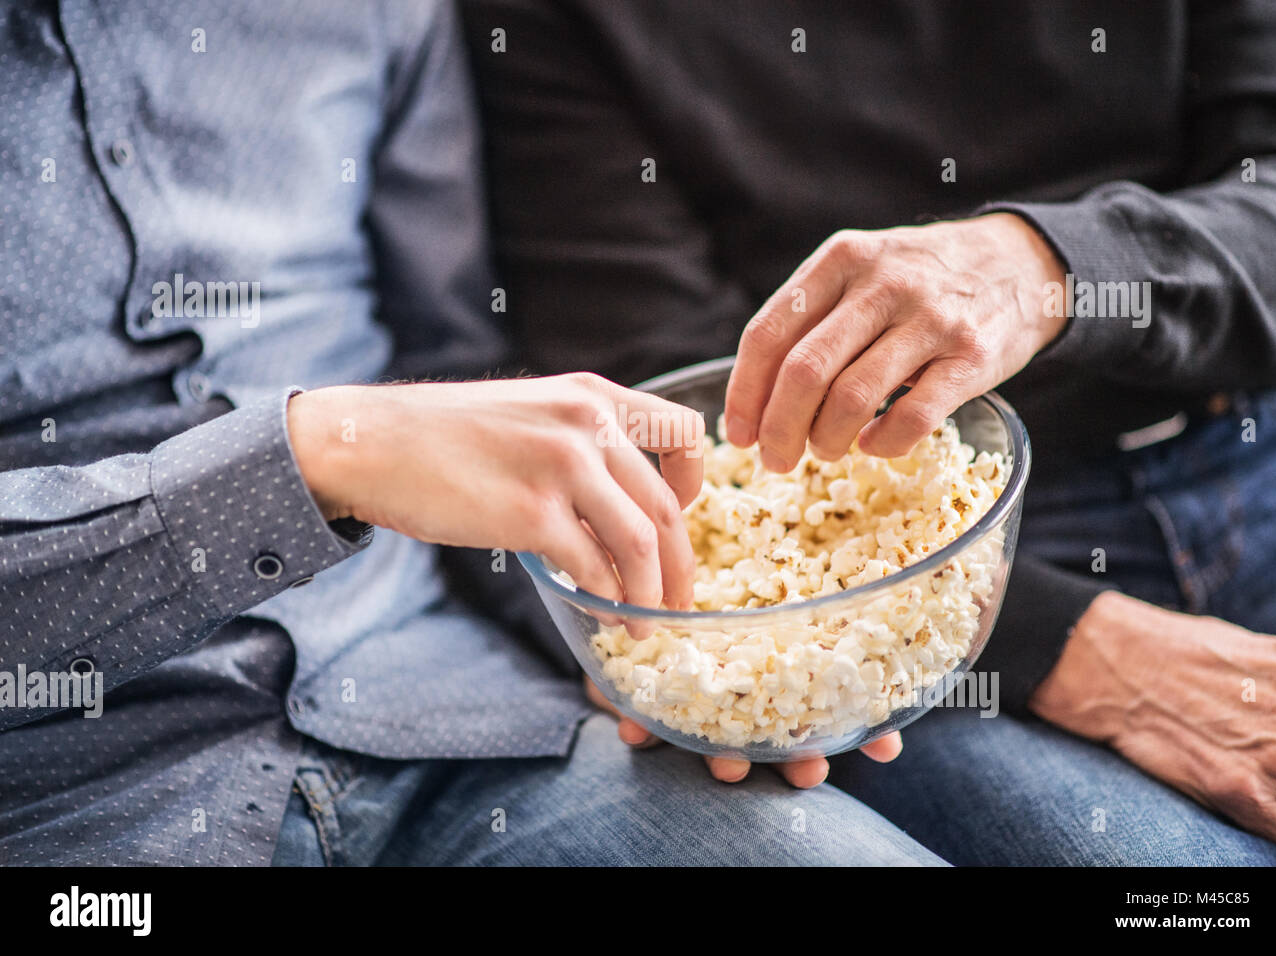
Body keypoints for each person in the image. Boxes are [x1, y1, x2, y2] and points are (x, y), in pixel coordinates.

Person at [0, 0, 936, 866]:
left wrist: (631, 645)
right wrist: (321, 457)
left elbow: (452, 361)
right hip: (79, 798)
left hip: (456, 714)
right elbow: (397, 436)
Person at [461, 0, 1276, 862]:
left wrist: (1049, 266)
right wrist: (1083, 648)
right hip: (911, 583)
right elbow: (677, 410)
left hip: (1267, 439)